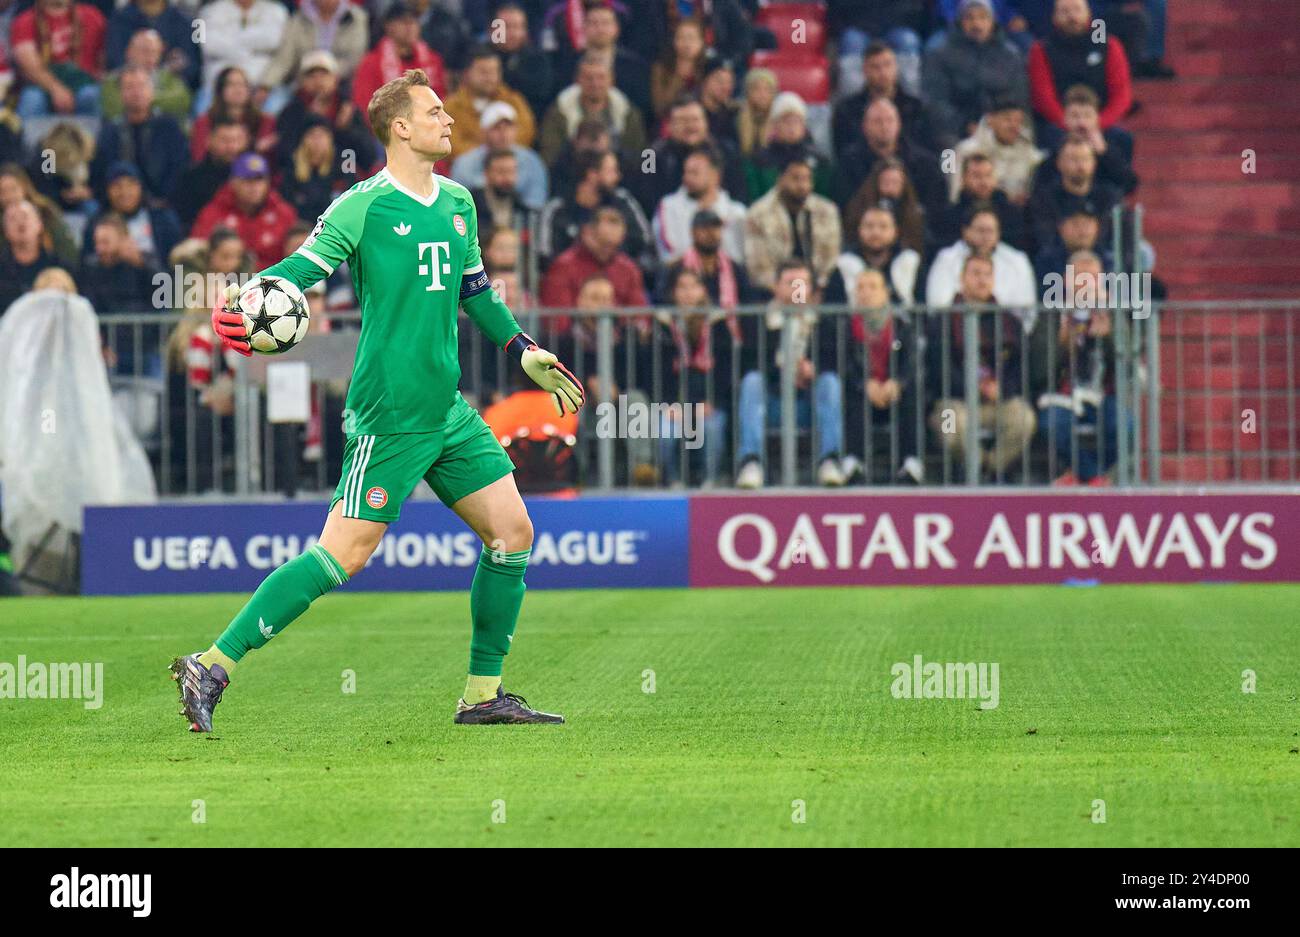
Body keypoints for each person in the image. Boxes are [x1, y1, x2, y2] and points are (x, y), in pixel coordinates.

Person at [172, 67, 586, 733]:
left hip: (446, 409)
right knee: (341, 556)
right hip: (388, 415)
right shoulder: (360, 205)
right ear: (400, 127)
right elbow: (301, 270)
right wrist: (244, 298)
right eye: (434, 112)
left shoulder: (458, 202)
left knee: (512, 534)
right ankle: (213, 662)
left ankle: (483, 695)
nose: (449, 122)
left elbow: (475, 291)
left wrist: (521, 349)